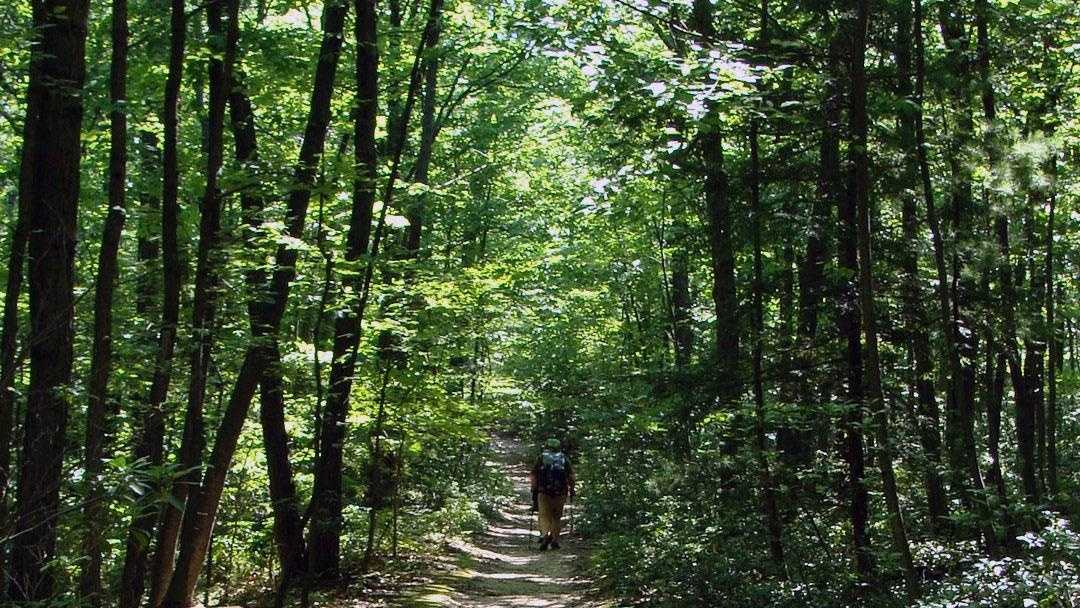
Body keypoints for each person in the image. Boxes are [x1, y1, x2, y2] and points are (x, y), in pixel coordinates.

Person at [529, 437, 575, 550]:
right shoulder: (564, 458)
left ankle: (545, 535)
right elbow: (571, 476)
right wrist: (572, 489)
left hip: (543, 491)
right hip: (561, 492)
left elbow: (534, 475)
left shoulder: (541, 458)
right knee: (557, 516)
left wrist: (534, 489)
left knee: (544, 514)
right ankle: (554, 540)